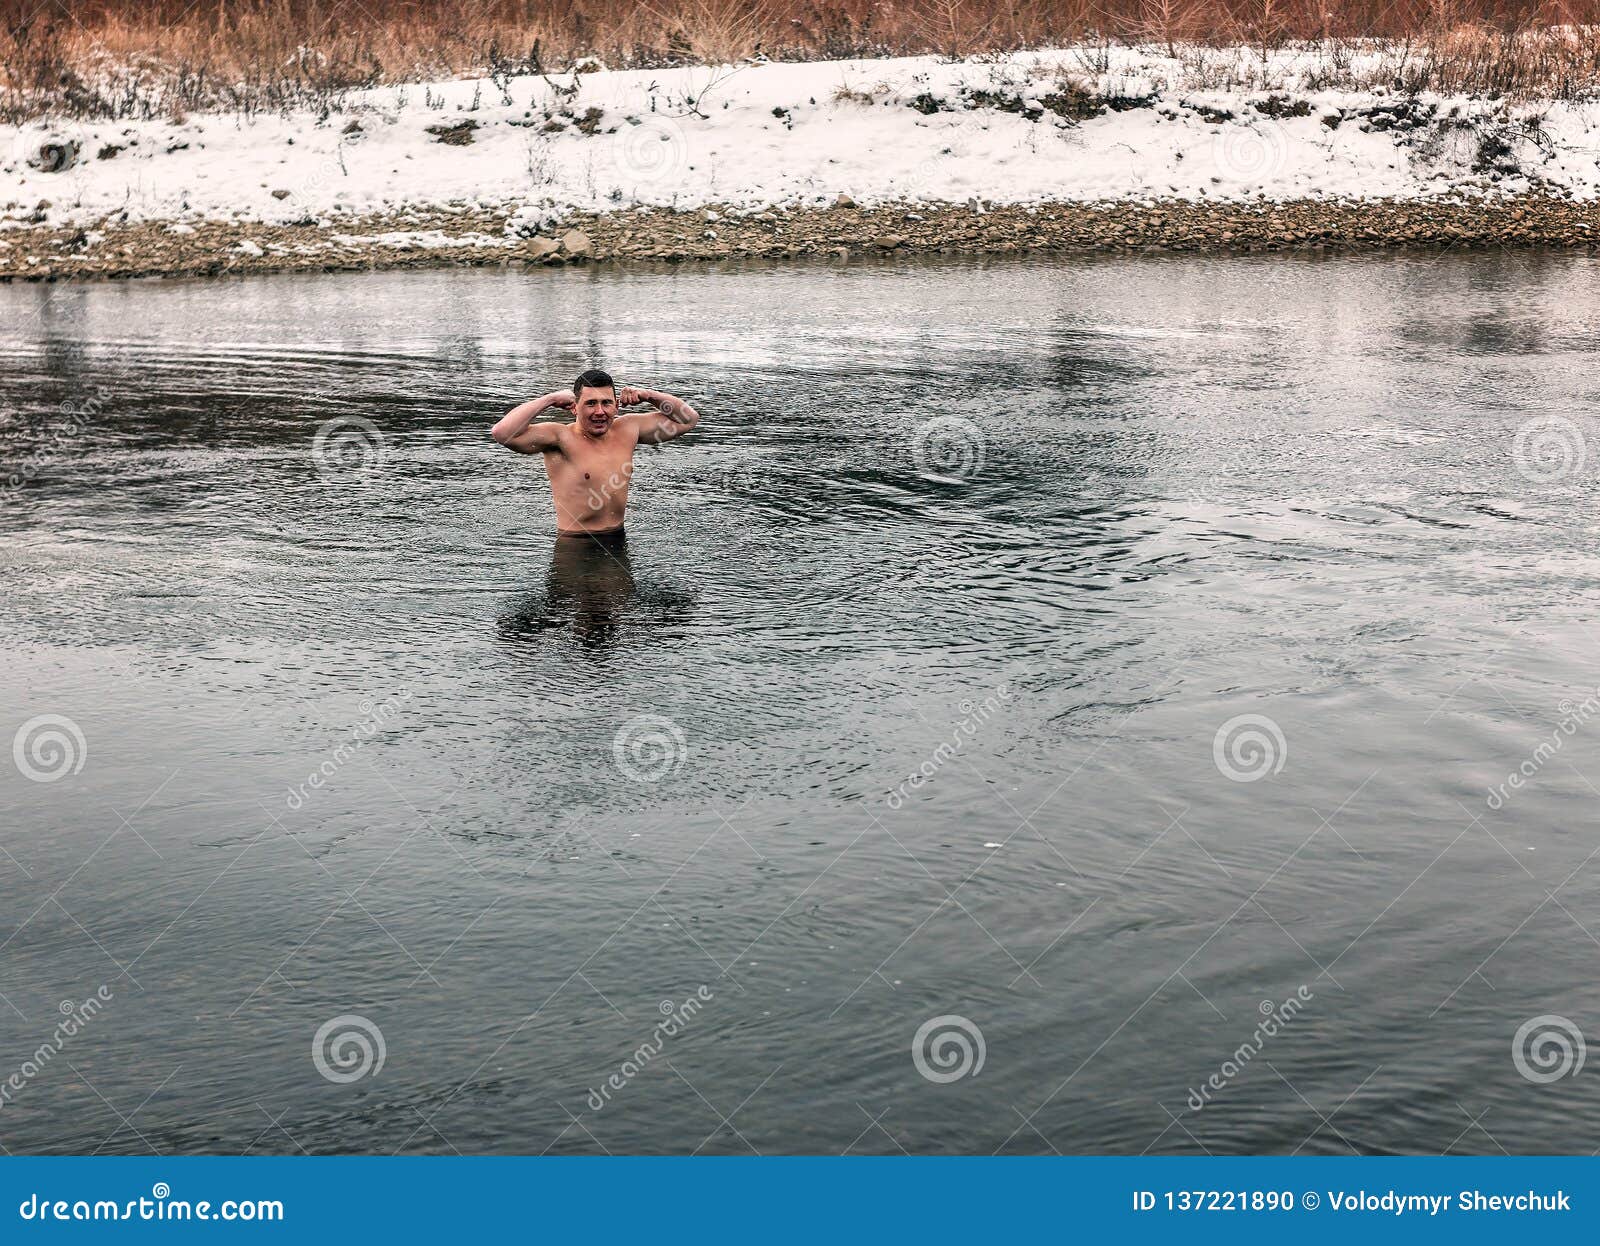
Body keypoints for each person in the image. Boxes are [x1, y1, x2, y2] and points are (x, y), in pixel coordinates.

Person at [490, 368, 700, 536]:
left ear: (616, 406)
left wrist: (648, 395)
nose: (599, 411)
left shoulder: (629, 429)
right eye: (591, 403)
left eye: (606, 403)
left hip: (618, 537)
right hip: (575, 544)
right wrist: (550, 399)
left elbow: (688, 419)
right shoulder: (559, 437)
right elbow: (502, 433)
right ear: (574, 408)